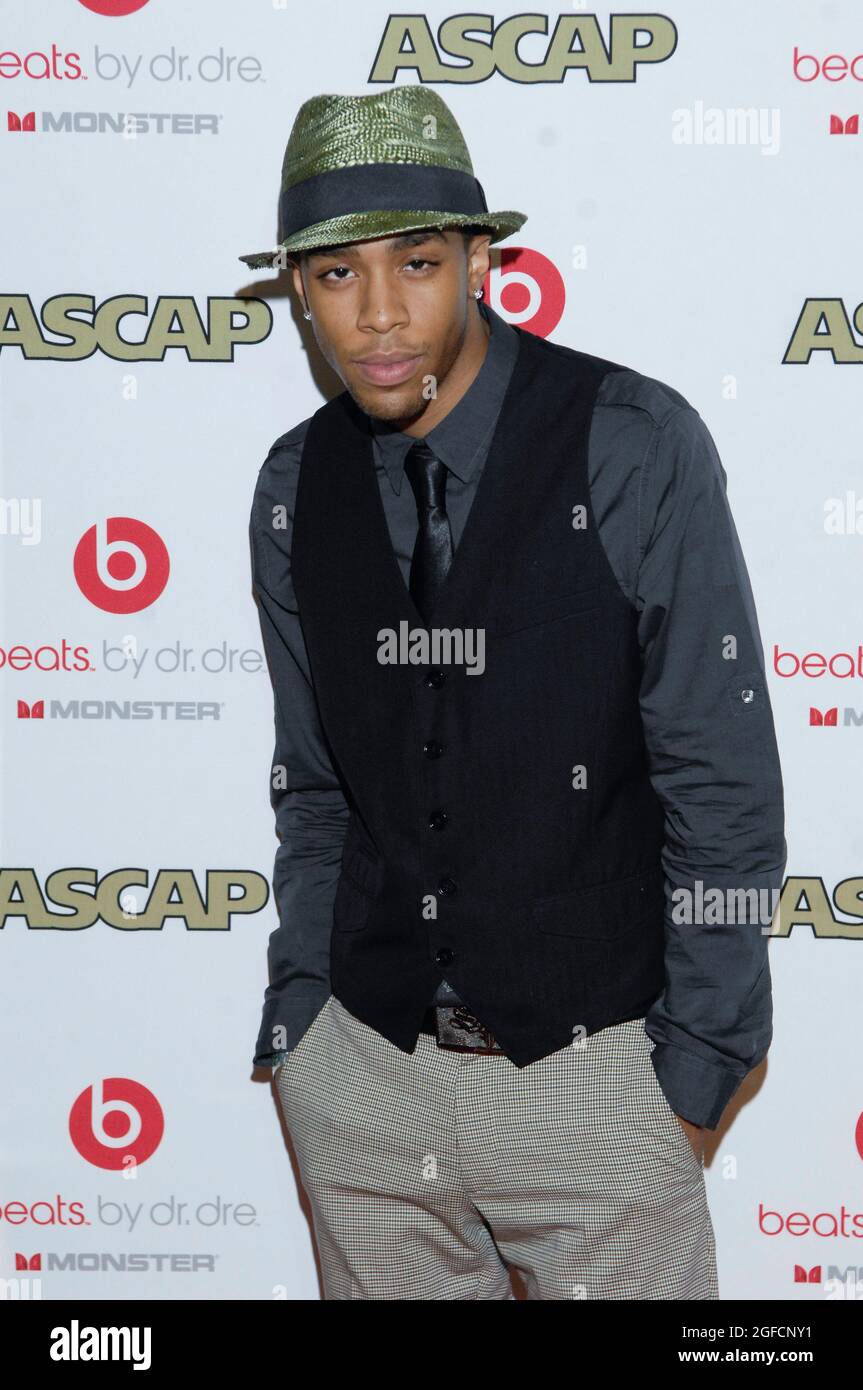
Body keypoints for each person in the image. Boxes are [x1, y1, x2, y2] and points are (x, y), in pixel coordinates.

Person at [242, 87, 786, 1300]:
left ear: (482, 259)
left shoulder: (631, 440)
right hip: (366, 1079)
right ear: (296, 289)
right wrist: (302, 1031)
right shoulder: (293, 482)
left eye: (419, 263)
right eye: (334, 276)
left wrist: (694, 1070)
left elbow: (721, 779)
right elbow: (314, 781)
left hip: (595, 1079)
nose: (378, 315)